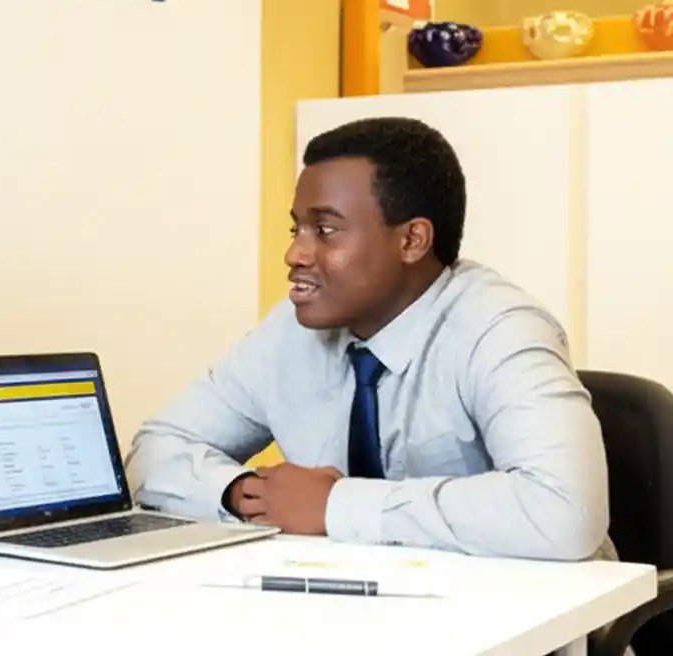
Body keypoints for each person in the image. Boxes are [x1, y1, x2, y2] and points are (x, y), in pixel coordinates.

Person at [125, 116, 609, 561]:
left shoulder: (500, 328)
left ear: (412, 241)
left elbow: (565, 512)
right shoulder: (288, 333)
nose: (295, 253)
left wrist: (335, 506)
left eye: (326, 230)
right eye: (297, 228)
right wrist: (241, 491)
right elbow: (156, 448)